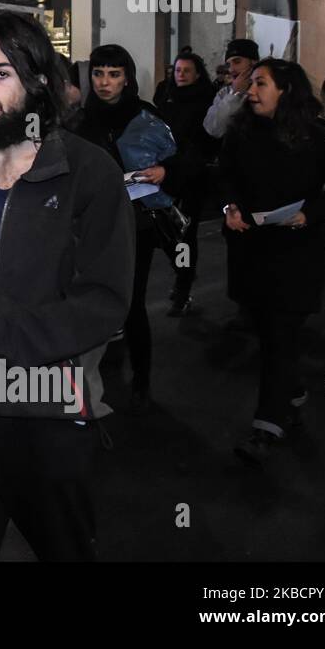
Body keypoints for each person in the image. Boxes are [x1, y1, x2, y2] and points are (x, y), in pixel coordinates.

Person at [0, 11, 134, 561]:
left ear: (37, 82)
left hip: (49, 413)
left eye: (1, 73)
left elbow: (103, 304)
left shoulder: (90, 173)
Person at [220, 59, 325, 466]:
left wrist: (308, 214)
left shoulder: (319, 132)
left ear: (285, 90)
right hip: (251, 248)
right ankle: (293, 394)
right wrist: (231, 206)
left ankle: (266, 426)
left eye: (260, 83)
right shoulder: (241, 129)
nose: (250, 90)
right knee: (268, 333)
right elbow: (225, 174)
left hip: (298, 251)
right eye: (251, 83)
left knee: (280, 332)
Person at [74, 44, 187, 414]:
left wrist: (165, 172)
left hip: (136, 224)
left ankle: (141, 380)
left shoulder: (147, 115)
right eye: (98, 73)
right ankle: (89, 381)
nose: (105, 82)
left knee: (132, 302)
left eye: (114, 74)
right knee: (91, 299)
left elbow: (185, 161)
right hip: (91, 226)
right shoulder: (78, 118)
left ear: (127, 78)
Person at [152, 50, 216, 315]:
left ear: (197, 74)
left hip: (191, 177)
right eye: (178, 70)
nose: (181, 75)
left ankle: (183, 285)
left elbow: (206, 142)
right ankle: (183, 271)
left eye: (186, 71)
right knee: (164, 232)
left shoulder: (206, 102)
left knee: (184, 233)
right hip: (166, 174)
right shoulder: (167, 98)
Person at [203, 39, 259, 139]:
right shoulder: (225, 93)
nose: (231, 69)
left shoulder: (264, 91)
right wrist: (235, 94)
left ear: (253, 64)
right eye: (228, 65)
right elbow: (213, 129)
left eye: (237, 62)